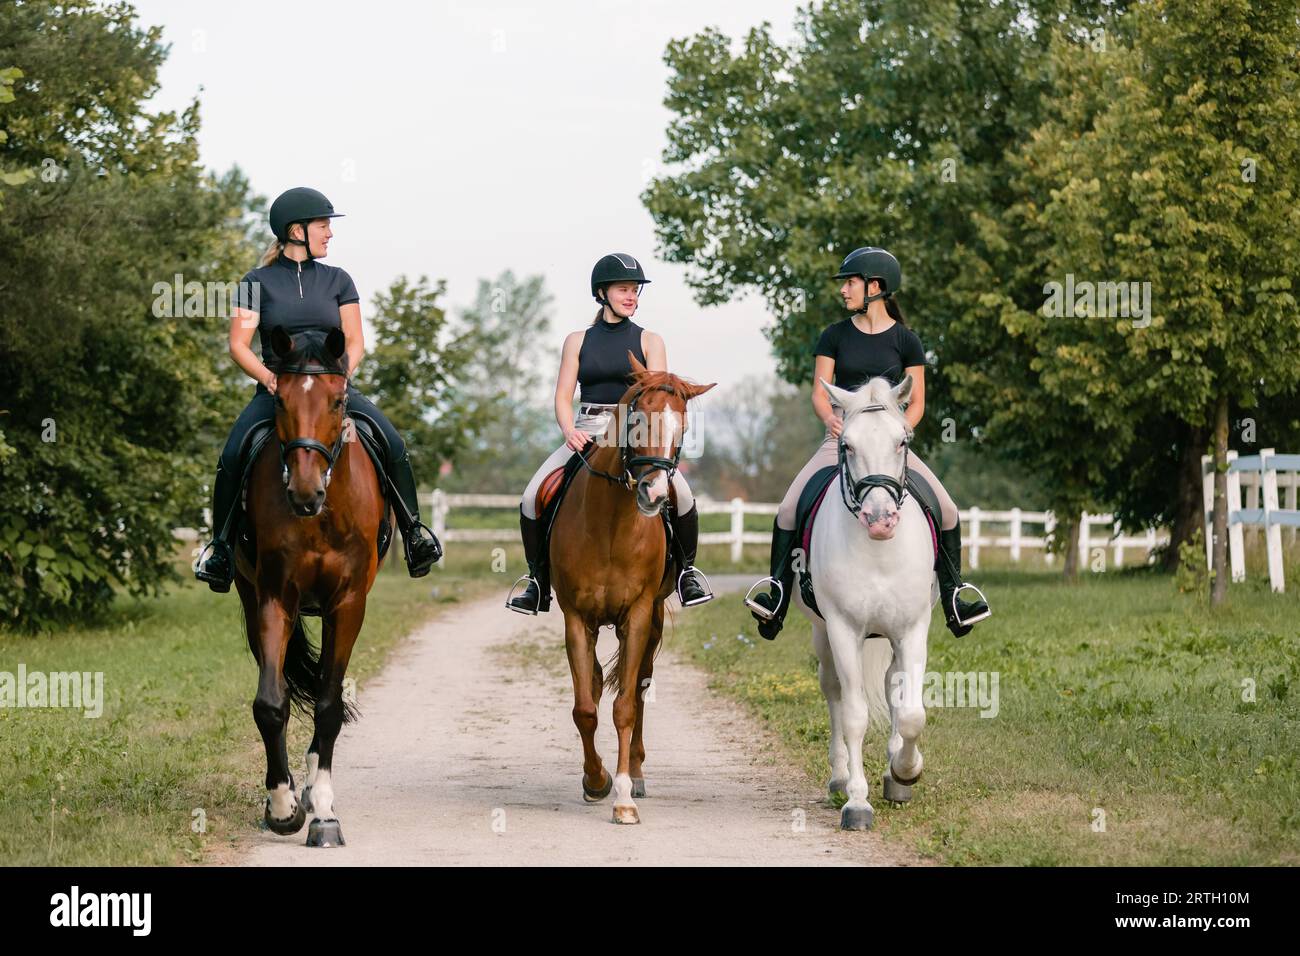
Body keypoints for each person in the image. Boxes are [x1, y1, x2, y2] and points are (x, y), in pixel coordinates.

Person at [193, 187, 442, 591]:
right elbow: (238, 344)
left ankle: (414, 533)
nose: (330, 234)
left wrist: (339, 379)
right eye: (323, 226)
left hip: (333, 389)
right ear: (297, 231)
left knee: (393, 444)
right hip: (278, 391)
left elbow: (356, 340)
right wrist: (270, 379)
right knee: (232, 454)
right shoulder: (256, 282)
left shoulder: (339, 280)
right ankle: (221, 549)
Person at [745, 246, 990, 638]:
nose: (844, 291)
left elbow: (918, 402)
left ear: (875, 287)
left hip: (892, 445)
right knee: (788, 509)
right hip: (842, 438)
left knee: (947, 510)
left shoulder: (906, 341)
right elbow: (820, 393)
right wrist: (831, 420)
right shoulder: (834, 336)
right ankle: (776, 595)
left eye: (850, 283)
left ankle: (954, 596)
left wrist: (900, 434)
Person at [506, 253, 712, 614]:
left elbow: (658, 395)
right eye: (623, 289)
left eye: (635, 290)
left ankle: (687, 574)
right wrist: (569, 430)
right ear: (602, 293)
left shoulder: (650, 340)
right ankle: (538, 581)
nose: (631, 296)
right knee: (530, 496)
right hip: (585, 430)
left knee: (683, 494)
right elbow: (561, 396)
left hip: (634, 434)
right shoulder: (577, 340)